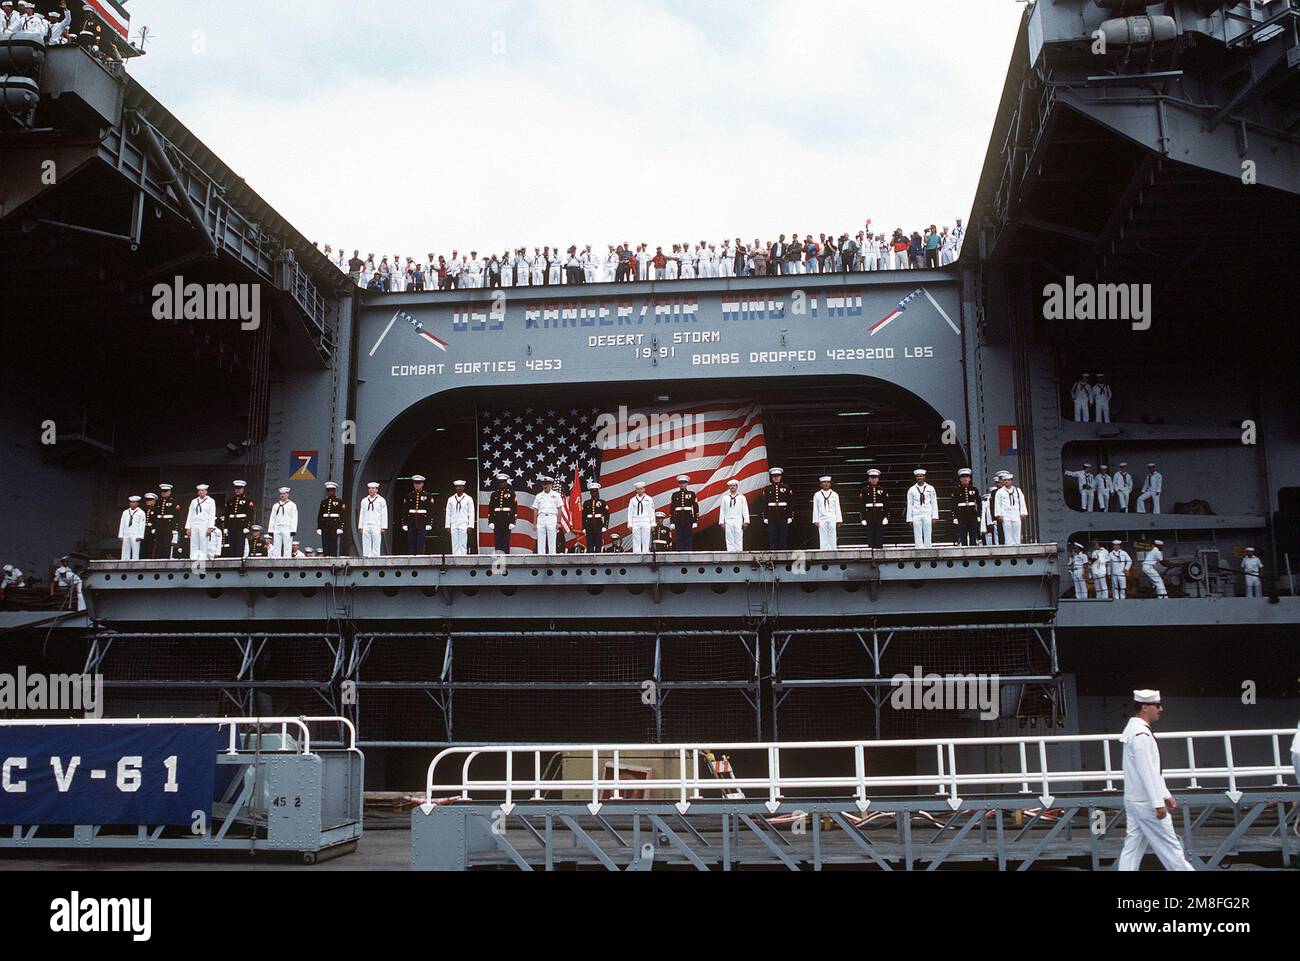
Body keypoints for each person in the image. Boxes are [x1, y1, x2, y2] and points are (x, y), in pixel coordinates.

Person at [1117, 690, 1194, 871]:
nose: (1161, 709)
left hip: (1135, 800)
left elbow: (1151, 771)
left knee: (1132, 848)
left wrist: (1165, 794)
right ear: (1145, 707)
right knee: (1171, 848)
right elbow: (1147, 772)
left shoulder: (1134, 731)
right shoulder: (1141, 735)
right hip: (1146, 803)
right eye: (1157, 705)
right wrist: (1157, 803)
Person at [401, 475, 435, 555]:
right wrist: (404, 523)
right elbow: (404, 511)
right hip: (411, 521)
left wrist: (429, 523)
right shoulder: (409, 495)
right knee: (411, 542)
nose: (417, 485)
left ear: (422, 484)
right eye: (415, 483)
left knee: (420, 542)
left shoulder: (427, 495)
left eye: (419, 483)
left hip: (422, 522)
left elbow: (431, 510)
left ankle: (420, 557)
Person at [762, 468, 794, 550]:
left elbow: (790, 503)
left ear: (781, 477)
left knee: (783, 536)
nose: (776, 478)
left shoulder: (786, 488)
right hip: (771, 515)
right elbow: (764, 504)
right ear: (771, 477)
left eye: (778, 476)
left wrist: (790, 516)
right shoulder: (767, 488)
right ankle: (773, 556)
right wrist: (765, 517)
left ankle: (783, 555)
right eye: (774, 476)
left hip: (783, 514)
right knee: (772, 536)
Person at [906, 468, 939, 548]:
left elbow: (934, 502)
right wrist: (909, 519)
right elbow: (909, 504)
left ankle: (928, 548)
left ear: (924, 477)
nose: (919, 478)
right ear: (915, 477)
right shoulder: (911, 489)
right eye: (917, 476)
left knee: (928, 533)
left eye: (921, 476)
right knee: (917, 533)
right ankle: (918, 549)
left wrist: (934, 516)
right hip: (916, 514)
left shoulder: (930, 488)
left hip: (927, 513)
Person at [993, 473, 1029, 545]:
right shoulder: (1000, 492)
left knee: (1017, 531)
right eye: (1005, 480)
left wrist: (1023, 513)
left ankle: (1017, 546)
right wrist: (998, 514)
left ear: (1011, 481)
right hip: (1005, 514)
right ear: (1003, 482)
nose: (1007, 482)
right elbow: (997, 504)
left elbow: (1021, 501)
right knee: (1007, 533)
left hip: (1016, 513)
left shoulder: (1017, 490)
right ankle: (1009, 547)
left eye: (1008, 480)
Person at [223, 480, 254, 560]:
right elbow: (226, 515)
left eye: (239, 488)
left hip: (241, 525)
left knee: (240, 545)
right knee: (231, 544)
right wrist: (226, 527)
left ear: (243, 489)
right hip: (231, 525)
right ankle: (231, 560)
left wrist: (247, 526)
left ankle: (238, 561)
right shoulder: (230, 501)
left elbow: (250, 515)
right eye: (236, 488)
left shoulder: (247, 501)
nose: (237, 490)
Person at [185, 484, 217, 561]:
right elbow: (190, 514)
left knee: (203, 541)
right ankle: (194, 557)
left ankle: (203, 557)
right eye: (199, 491)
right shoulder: (194, 501)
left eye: (203, 490)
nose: (201, 492)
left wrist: (210, 527)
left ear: (206, 491)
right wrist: (188, 527)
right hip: (194, 523)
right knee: (194, 541)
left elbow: (212, 514)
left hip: (204, 524)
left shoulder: (210, 501)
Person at [859, 469, 889, 549]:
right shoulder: (864, 490)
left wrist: (886, 516)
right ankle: (871, 549)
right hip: (869, 514)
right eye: (872, 478)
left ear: (878, 479)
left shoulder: (882, 490)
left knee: (879, 533)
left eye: (875, 477)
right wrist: (863, 518)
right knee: (870, 533)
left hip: (880, 514)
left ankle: (879, 549)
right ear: (869, 479)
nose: (873, 479)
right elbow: (862, 505)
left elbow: (886, 505)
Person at [533, 476, 564, 555]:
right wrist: (534, 523)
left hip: (552, 517)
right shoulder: (539, 496)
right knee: (541, 539)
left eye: (547, 484)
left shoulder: (556, 495)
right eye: (544, 484)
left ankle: (552, 556)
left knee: (552, 538)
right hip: (541, 517)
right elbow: (535, 509)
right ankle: (541, 556)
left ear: (551, 485)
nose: (545, 486)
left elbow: (559, 508)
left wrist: (559, 522)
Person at [488, 474, 517, 554]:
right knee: (497, 539)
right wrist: (490, 521)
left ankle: (506, 557)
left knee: (505, 539)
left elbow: (514, 508)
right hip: (497, 519)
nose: (501, 484)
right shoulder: (494, 494)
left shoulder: (511, 494)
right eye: (500, 482)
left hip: (506, 519)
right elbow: (491, 509)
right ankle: (498, 558)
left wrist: (513, 521)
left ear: (506, 483)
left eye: (503, 482)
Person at [358, 482, 388, 558]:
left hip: (376, 524)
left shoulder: (381, 500)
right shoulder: (364, 500)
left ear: (377, 490)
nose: (371, 490)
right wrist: (360, 526)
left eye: (373, 488)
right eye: (370, 488)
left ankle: (376, 557)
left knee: (376, 542)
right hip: (366, 523)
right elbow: (362, 513)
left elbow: (384, 514)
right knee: (366, 541)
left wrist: (383, 526)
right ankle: (366, 556)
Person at [952, 469, 981, 547]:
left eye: (967, 477)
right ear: (960, 479)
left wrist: (978, 515)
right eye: (963, 477)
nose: (965, 479)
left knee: (973, 535)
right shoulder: (956, 490)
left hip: (972, 514)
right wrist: (955, 516)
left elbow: (979, 503)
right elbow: (954, 504)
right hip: (961, 515)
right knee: (963, 536)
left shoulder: (974, 489)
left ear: (970, 479)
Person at [718, 479, 750, 551]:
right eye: (731, 486)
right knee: (729, 539)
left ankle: (739, 555)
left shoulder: (742, 497)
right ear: (729, 487)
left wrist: (746, 521)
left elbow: (745, 510)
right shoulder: (725, 498)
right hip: (728, 520)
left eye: (734, 485)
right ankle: (730, 555)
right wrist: (721, 522)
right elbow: (722, 511)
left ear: (737, 487)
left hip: (738, 520)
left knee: (738, 538)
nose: (732, 487)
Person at [669, 475, 699, 551]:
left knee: (688, 536)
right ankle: (680, 553)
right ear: (678, 484)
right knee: (679, 536)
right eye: (680, 483)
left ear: (687, 484)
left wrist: (695, 520)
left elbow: (695, 507)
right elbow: (672, 508)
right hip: (678, 518)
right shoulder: (675, 495)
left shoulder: (692, 494)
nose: (682, 484)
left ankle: (688, 552)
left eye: (684, 483)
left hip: (688, 518)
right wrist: (672, 522)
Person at [445, 480, 475, 556]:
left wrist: (470, 526)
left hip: (464, 524)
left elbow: (471, 513)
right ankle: (455, 560)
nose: (458, 488)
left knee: (463, 544)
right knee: (455, 544)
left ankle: (463, 559)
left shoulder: (468, 499)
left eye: (460, 487)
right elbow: (448, 513)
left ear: (463, 488)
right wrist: (448, 525)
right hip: (454, 524)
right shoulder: (451, 499)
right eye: (457, 487)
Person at [317, 482, 347, 557]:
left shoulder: (339, 502)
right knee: (325, 541)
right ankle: (326, 555)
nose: (329, 492)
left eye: (331, 491)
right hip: (325, 524)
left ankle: (333, 556)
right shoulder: (324, 502)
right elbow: (320, 515)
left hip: (334, 524)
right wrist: (319, 527)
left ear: (334, 491)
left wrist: (341, 527)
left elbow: (343, 515)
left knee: (333, 541)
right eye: (328, 490)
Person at [812, 476, 842, 550]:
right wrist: (815, 520)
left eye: (828, 482)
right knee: (823, 535)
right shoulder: (817, 495)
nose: (826, 484)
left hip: (832, 517)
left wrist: (839, 520)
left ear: (830, 484)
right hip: (821, 517)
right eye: (824, 482)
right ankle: (823, 551)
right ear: (821, 484)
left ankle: (833, 550)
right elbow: (815, 508)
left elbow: (837, 507)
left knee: (832, 535)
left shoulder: (835, 494)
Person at [268, 488, 298, 558]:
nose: (282, 495)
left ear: (287, 494)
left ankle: (287, 560)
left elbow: (294, 518)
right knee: (276, 545)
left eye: (284, 494)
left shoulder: (292, 505)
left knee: (287, 545)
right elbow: (272, 518)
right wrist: (271, 530)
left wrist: (293, 530)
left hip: (287, 527)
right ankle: (276, 559)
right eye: (281, 494)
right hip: (277, 527)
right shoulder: (276, 505)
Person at [152, 484, 180, 559]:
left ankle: (165, 559)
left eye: (165, 491)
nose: (163, 493)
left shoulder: (173, 502)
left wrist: (175, 528)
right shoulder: (158, 502)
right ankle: (158, 559)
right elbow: (155, 516)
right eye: (162, 491)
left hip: (168, 525)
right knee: (159, 543)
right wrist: (154, 527)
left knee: (166, 543)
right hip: (159, 525)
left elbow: (176, 516)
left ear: (169, 492)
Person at [627, 482, 655, 553]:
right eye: (638, 489)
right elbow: (630, 512)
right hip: (636, 520)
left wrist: (652, 524)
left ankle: (645, 551)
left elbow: (651, 512)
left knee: (646, 537)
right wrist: (630, 524)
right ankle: (637, 552)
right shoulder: (632, 500)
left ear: (644, 489)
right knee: (636, 538)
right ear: (636, 490)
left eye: (641, 489)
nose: (639, 490)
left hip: (645, 520)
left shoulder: (649, 499)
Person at [582, 481, 609, 553]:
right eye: (592, 491)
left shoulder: (602, 502)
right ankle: (590, 561)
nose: (594, 493)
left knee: (598, 544)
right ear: (590, 492)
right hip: (589, 525)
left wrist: (605, 526)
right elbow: (584, 516)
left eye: (595, 491)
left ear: (597, 492)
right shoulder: (586, 503)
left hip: (598, 524)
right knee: (589, 544)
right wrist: (584, 527)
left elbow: (607, 514)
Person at [117, 495, 146, 560]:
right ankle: (124, 562)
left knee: (135, 550)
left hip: (135, 533)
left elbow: (142, 525)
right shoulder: (125, 512)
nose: (132, 504)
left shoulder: (141, 513)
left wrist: (140, 536)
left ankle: (135, 562)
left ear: (137, 503)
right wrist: (121, 535)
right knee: (125, 550)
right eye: (131, 502)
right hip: (126, 533)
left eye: (134, 502)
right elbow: (122, 524)